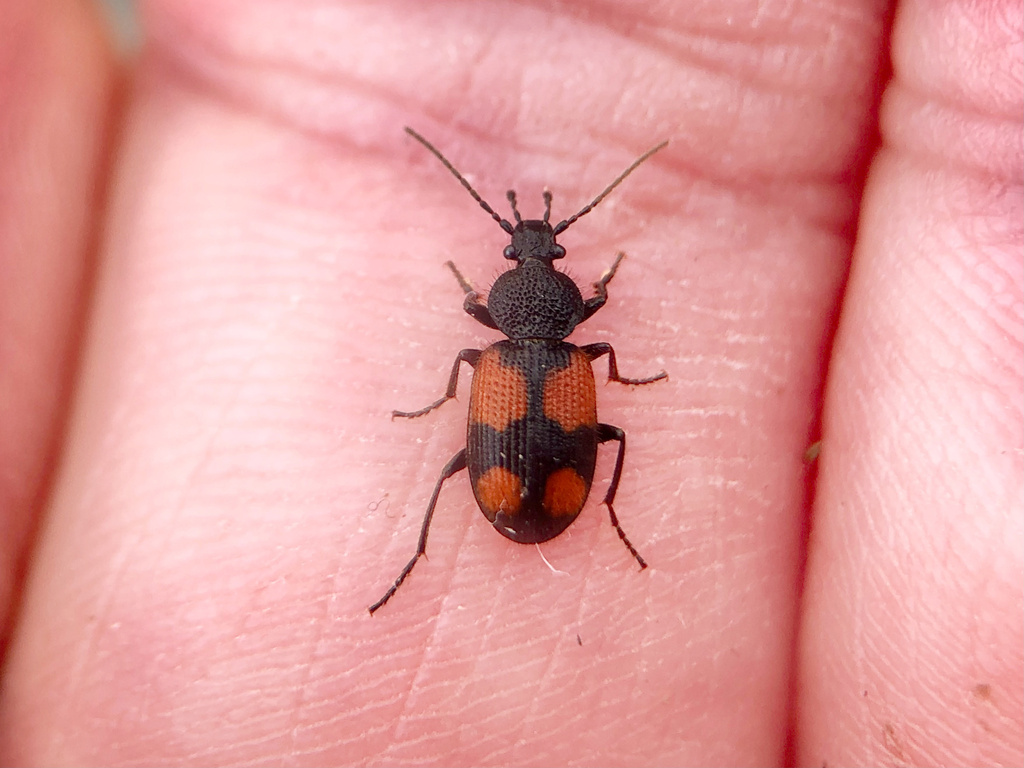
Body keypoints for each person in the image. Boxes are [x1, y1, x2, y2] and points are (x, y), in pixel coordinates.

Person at [0, 0, 1020, 765]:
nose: (533, 257)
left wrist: (460, 388)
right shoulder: (576, 352)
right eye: (537, 257)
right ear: (560, 297)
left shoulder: (490, 351)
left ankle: (437, 552)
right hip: (548, 482)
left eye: (531, 257)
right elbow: (591, 346)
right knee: (577, 445)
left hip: (511, 478)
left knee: (458, 471)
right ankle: (567, 526)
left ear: (511, 294)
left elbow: (476, 347)